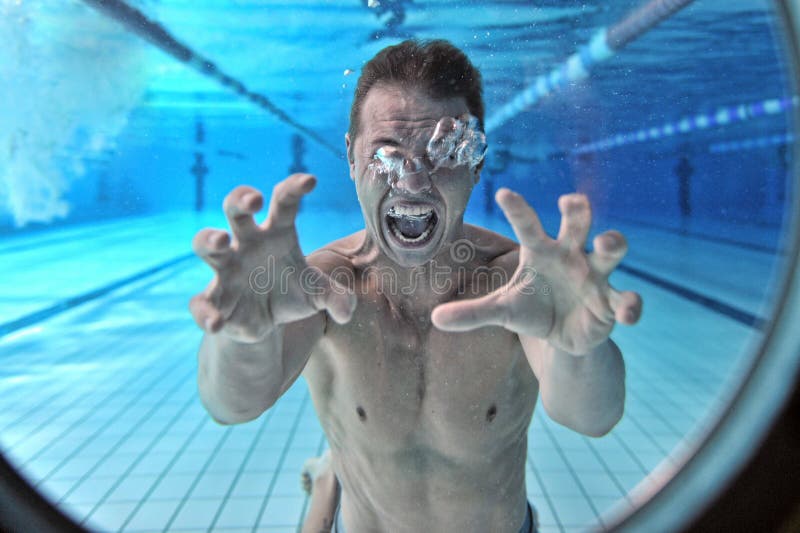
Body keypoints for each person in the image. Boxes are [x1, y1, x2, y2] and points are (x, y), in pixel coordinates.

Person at [189, 39, 642, 533]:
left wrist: (578, 349)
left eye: (444, 152)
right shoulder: (322, 285)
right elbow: (231, 403)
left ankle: (329, 473)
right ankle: (330, 477)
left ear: (477, 163)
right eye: (386, 154)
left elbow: (592, 416)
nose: (411, 182)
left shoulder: (514, 286)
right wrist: (240, 337)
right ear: (351, 158)